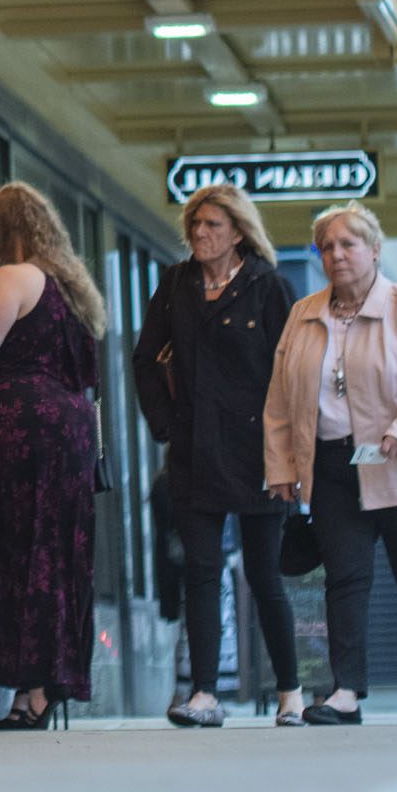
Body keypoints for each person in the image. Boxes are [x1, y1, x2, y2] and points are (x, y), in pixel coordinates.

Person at [261, 204, 397, 725]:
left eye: (348, 244)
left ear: (375, 250)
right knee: (345, 578)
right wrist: (282, 466)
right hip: (331, 465)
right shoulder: (304, 315)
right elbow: (280, 399)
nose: (336, 255)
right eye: (326, 246)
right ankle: (346, 691)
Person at [133, 181, 304, 729]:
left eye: (213, 226)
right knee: (200, 571)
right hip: (192, 450)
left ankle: (290, 692)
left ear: (238, 231)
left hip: (258, 451)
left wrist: (292, 456)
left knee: (264, 574)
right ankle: (205, 693)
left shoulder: (269, 287)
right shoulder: (177, 284)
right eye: (196, 225)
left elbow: (291, 374)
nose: (201, 235)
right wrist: (164, 424)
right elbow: (143, 358)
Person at [0, 183, 104, 731]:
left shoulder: (12, 278)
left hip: (19, 429)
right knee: (54, 556)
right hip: (70, 432)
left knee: (17, 551)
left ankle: (32, 690)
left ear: (6, 230)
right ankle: (39, 685)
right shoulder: (72, 288)